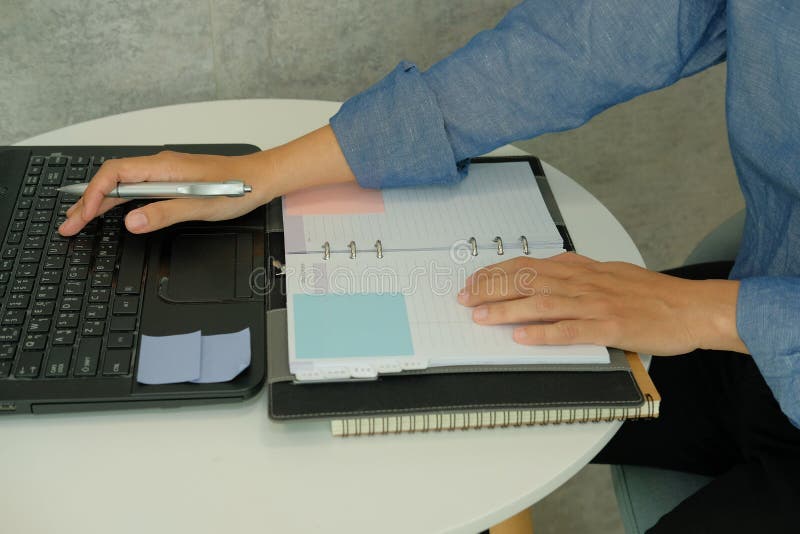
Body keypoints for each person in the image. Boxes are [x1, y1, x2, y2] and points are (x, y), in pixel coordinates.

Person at [59, 1, 799, 530]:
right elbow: (576, 46)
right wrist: (264, 174)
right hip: (755, 331)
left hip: (745, 327)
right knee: (399, 391)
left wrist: (704, 312)